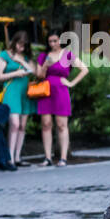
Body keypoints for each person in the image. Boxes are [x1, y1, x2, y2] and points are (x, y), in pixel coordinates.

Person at [36, 30, 90, 167]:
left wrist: (71, 83)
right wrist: (45, 66)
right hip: (45, 91)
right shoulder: (44, 56)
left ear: (61, 40)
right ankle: (47, 158)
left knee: (61, 124)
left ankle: (63, 157)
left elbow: (84, 69)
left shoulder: (67, 55)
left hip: (61, 91)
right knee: (46, 124)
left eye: (55, 40)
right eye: (50, 41)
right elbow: (39, 76)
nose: (53, 44)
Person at [0, 31, 37, 166]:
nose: (21, 48)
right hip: (11, 92)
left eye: (24, 45)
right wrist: (15, 73)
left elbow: (35, 72)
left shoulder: (26, 57)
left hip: (24, 93)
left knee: (23, 126)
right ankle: (10, 157)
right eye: (19, 44)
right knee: (15, 124)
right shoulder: (5, 55)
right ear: (14, 42)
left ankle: (17, 157)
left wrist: (20, 61)